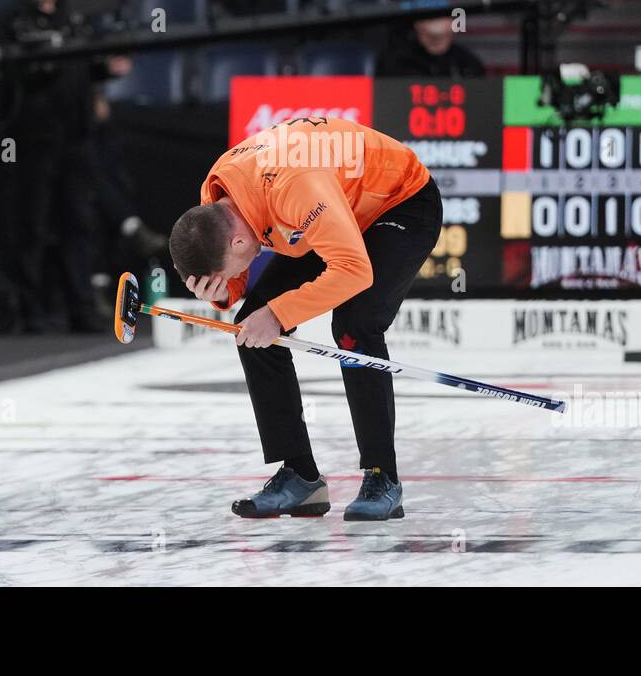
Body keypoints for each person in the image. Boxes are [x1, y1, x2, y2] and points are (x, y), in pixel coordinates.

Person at [169, 116, 441, 521]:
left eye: (228, 270)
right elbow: (245, 253)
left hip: (397, 202)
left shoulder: (294, 187)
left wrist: (277, 313)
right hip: (330, 209)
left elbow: (354, 269)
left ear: (238, 242)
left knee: (354, 325)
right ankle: (300, 476)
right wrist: (228, 291)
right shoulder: (219, 197)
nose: (235, 275)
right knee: (251, 330)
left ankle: (383, 476)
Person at [0, 0, 128, 334]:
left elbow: (90, 62)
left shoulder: (77, 12)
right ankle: (27, 309)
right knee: (30, 224)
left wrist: (106, 67)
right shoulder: (10, 18)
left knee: (79, 223)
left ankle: (82, 307)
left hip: (77, 134)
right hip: (30, 138)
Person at [375, 14, 486, 77]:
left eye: (444, 13)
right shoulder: (393, 60)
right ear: (417, 24)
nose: (436, 18)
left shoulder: (468, 63)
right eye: (430, 14)